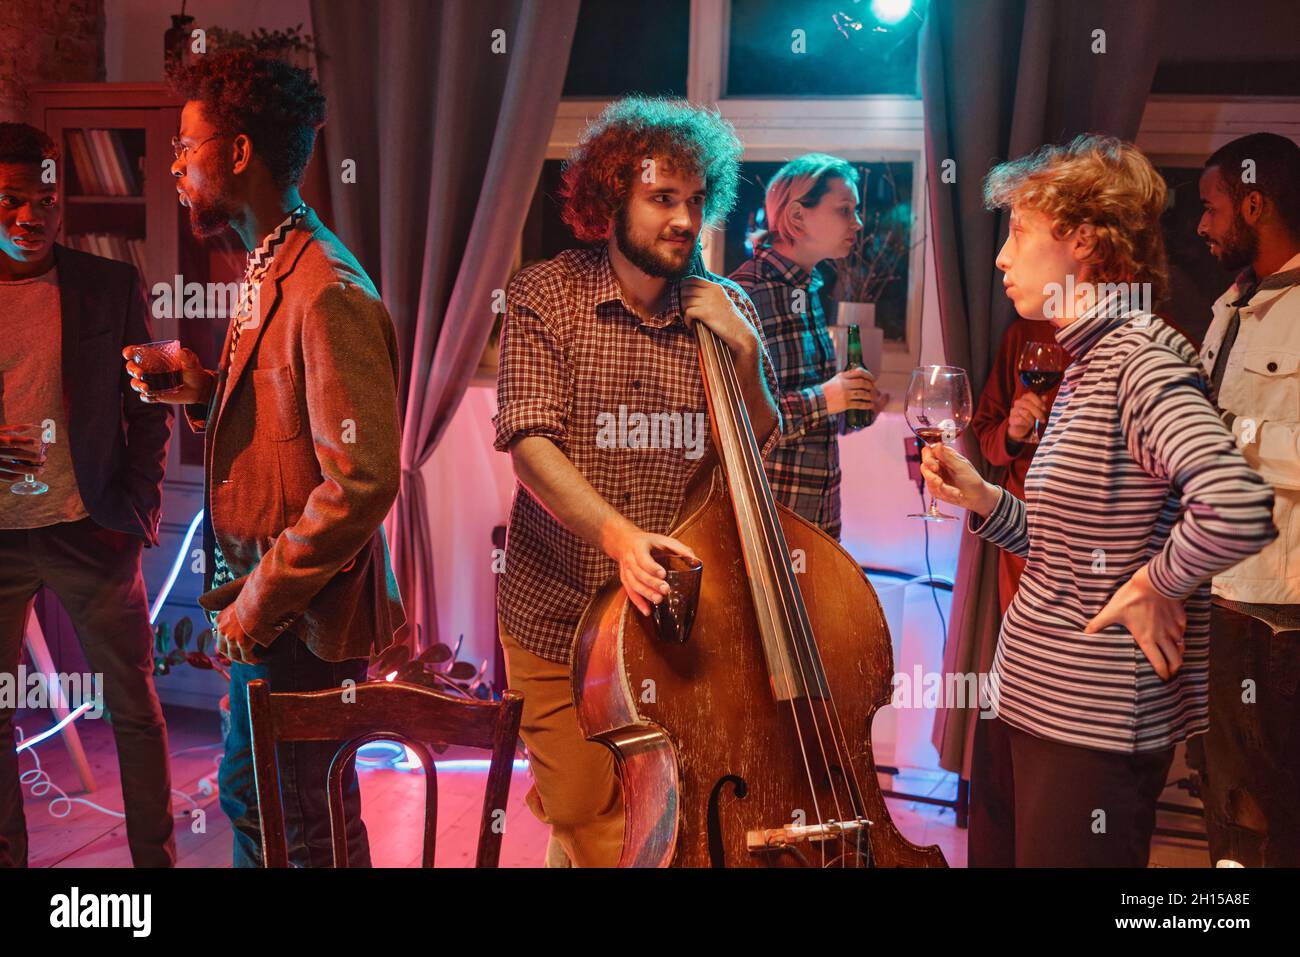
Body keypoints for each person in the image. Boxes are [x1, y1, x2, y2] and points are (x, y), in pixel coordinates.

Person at [921, 134, 1277, 867]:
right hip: (1026, 694)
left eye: (1019, 232)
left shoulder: (1139, 359)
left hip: (1093, 722)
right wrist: (987, 497)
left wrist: (1157, 582)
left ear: (1082, 241)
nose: (1000, 256)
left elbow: (1235, 502)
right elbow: (1071, 544)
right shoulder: (1084, 359)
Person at [125, 52, 405, 867]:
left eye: (186, 146)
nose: (175, 165)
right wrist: (206, 389)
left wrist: (256, 607)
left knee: (301, 826)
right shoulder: (269, 262)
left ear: (239, 153)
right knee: (263, 805)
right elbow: (301, 428)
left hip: (302, 623)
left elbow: (363, 479)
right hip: (274, 614)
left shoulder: (326, 288)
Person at [493, 95, 781, 867]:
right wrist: (619, 537)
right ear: (607, 201)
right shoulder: (544, 294)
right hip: (559, 620)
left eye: (694, 200)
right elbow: (527, 440)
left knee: (667, 825)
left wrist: (747, 356)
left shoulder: (729, 307)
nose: (685, 219)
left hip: (678, 629)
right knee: (597, 826)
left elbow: (753, 450)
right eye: (661, 199)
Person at [0, 122, 175, 867]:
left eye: (45, 199)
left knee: (133, 708)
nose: (31, 216)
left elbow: (150, 408)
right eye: (11, 200)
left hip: (92, 527)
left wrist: (137, 511)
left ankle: (154, 866)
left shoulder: (108, 284)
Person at [1195, 132, 1300, 867]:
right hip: (1215, 596)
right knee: (1224, 797)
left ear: (1255, 203)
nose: (1201, 225)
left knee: (1271, 811)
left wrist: (1237, 428)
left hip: (1277, 610)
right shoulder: (1228, 306)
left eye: (1211, 207)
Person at [729, 153, 887, 540]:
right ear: (798, 216)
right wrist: (827, 398)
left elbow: (803, 414)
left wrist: (848, 407)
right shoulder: (743, 295)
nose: (858, 222)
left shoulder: (808, 289)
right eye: (844, 210)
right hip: (767, 521)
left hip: (817, 513)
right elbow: (735, 423)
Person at [965, 316, 1064, 866]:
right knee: (1008, 716)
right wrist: (1015, 433)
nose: (1002, 258)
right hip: (1019, 532)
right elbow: (987, 433)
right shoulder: (1024, 333)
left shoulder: (1137, 343)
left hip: (1085, 560)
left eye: (1021, 231)